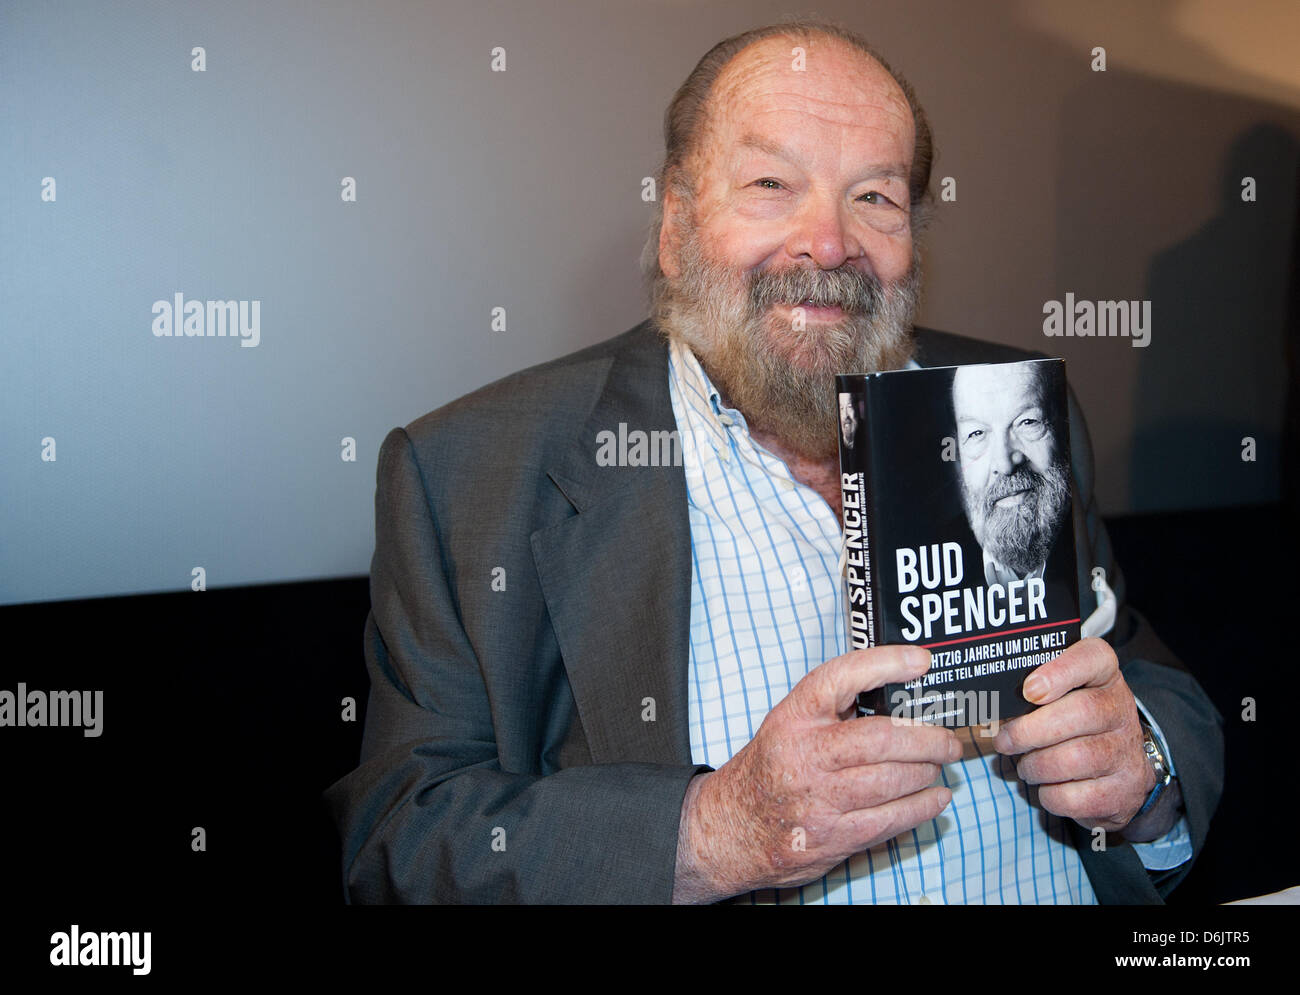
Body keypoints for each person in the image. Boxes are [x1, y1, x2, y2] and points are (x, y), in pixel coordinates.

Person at [325, 18, 1223, 904]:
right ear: (677, 225)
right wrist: (718, 828)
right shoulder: (471, 473)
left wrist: (1140, 769)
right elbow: (404, 832)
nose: (829, 245)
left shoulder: (1014, 405)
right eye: (770, 182)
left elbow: (1141, 673)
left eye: (876, 196)